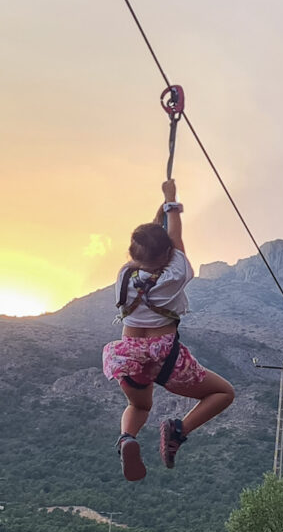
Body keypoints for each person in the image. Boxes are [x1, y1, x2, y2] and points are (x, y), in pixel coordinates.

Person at [101, 179, 235, 481]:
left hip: (129, 356)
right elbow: (172, 239)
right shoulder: (175, 275)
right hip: (167, 359)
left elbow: (154, 244)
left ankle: (127, 438)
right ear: (167, 255)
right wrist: (171, 200)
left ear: (133, 255)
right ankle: (178, 429)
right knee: (223, 392)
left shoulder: (124, 276)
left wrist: (159, 209)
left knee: (138, 404)